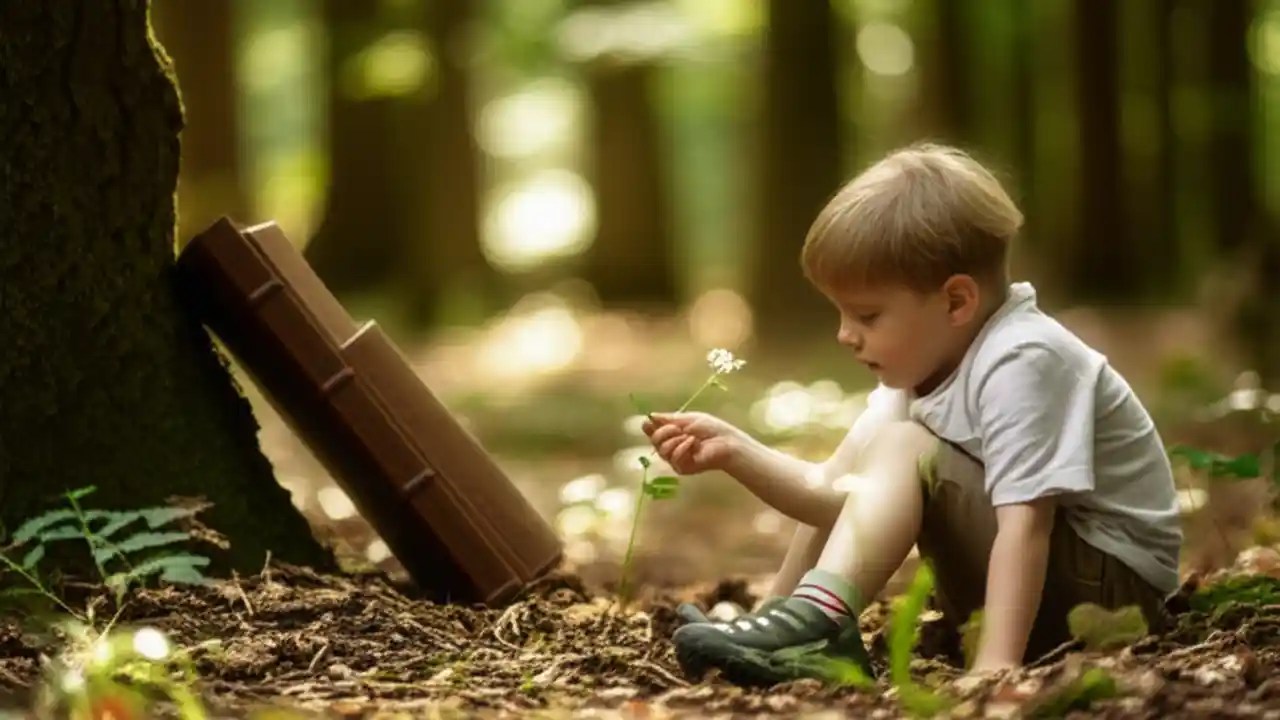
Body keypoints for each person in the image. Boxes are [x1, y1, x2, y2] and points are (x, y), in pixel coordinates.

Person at [641, 143, 1183, 688]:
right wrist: (735, 451)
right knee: (891, 452)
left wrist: (996, 666)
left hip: (1111, 596)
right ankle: (781, 623)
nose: (844, 334)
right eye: (841, 312)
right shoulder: (919, 372)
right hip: (1039, 585)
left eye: (867, 315)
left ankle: (813, 625)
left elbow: (1028, 526)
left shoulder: (1023, 359)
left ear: (955, 302)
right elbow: (832, 497)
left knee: (904, 445)